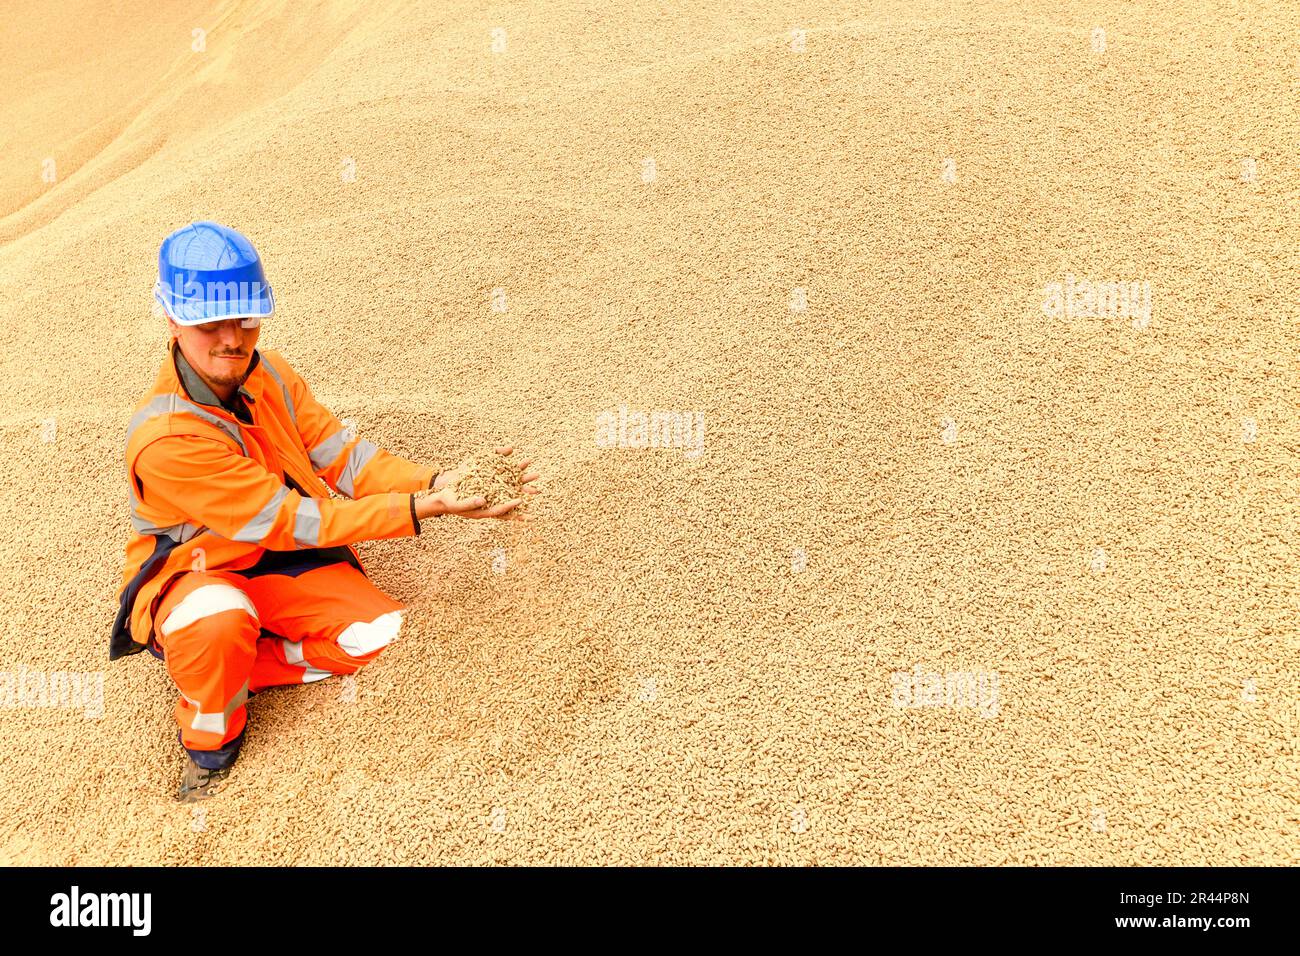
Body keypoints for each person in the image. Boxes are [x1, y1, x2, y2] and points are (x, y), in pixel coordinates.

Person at [110, 221, 538, 801]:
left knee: (390, 635)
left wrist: (434, 479)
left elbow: (344, 457)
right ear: (172, 320)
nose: (231, 338)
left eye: (245, 319)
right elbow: (289, 519)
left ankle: (258, 664)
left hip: (288, 566)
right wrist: (421, 508)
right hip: (201, 574)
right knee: (215, 624)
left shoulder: (271, 373)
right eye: (210, 323)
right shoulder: (167, 438)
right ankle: (209, 746)